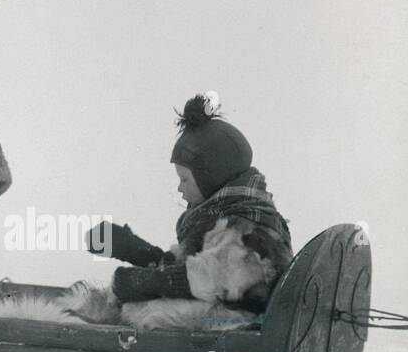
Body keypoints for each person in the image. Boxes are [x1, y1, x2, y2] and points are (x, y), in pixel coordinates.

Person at [87, 93, 293, 315]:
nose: (180, 188)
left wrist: (142, 283)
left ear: (211, 177)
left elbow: (213, 275)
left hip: (236, 331)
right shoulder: (222, 218)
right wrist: (137, 251)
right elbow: (193, 270)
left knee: (132, 311)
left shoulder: (250, 226)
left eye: (185, 179)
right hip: (224, 327)